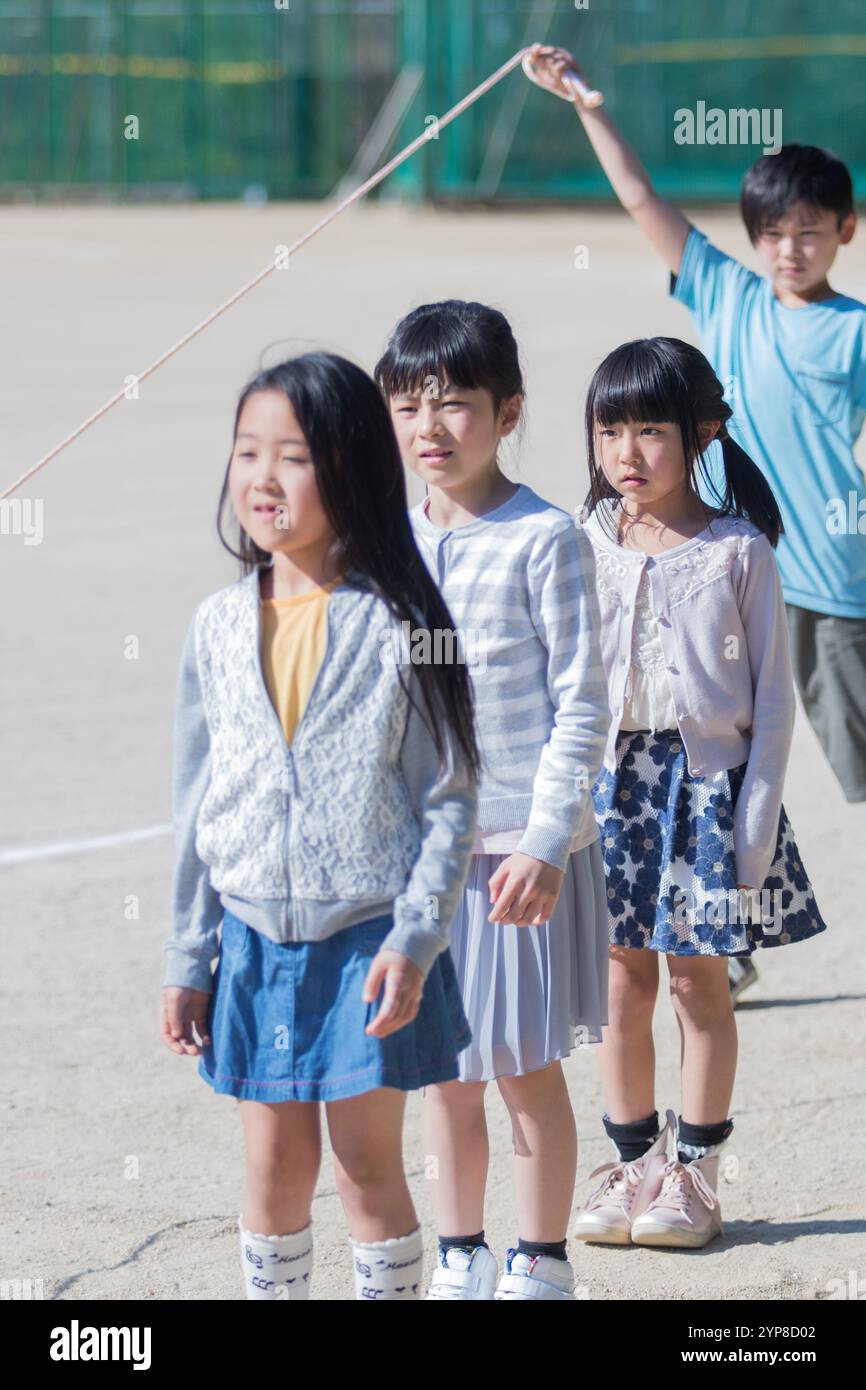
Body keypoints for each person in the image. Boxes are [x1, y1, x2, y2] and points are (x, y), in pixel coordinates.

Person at [525, 42, 866, 1000]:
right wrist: (589, 105)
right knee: (694, 743)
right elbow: (643, 204)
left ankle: (727, 912)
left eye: (808, 231)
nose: (788, 248)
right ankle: (717, 925)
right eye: (772, 231)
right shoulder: (725, 292)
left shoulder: (857, 330)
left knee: (827, 760)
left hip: (837, 582)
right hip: (704, 572)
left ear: (845, 229)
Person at [160, 351, 482, 1301]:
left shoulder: (401, 624)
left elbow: (449, 797)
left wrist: (417, 939)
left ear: (352, 467)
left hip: (369, 940)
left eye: (292, 456)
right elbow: (195, 802)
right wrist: (189, 955)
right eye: (247, 451)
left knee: (364, 1166)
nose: (262, 477)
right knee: (270, 1170)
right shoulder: (216, 625)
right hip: (255, 940)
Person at [375, 300, 611, 1299]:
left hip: (519, 852)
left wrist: (547, 841)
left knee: (521, 1070)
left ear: (509, 411)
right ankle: (460, 1251)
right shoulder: (383, 543)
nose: (431, 426)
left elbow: (582, 705)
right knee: (442, 1073)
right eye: (408, 404)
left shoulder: (544, 538)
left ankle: (541, 1258)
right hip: (422, 862)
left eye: (456, 404)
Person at [573, 335, 827, 1249]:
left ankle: (696, 1176)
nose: (627, 453)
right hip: (610, 793)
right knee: (619, 982)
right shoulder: (585, 540)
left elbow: (773, 706)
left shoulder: (738, 552)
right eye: (611, 430)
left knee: (696, 986)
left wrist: (751, 834)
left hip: (706, 798)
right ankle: (633, 1161)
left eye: (650, 429)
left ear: (704, 431)